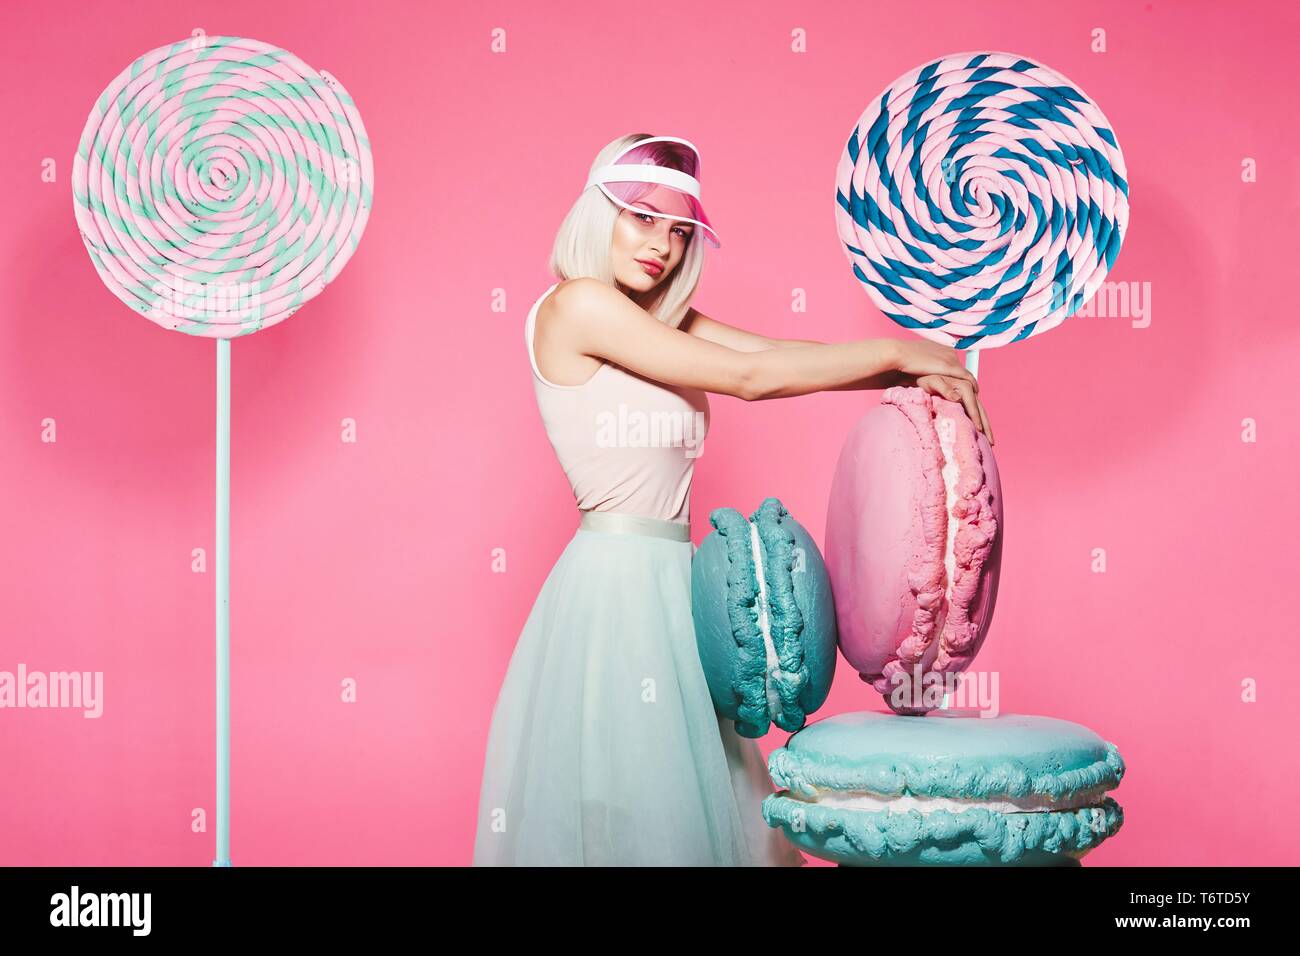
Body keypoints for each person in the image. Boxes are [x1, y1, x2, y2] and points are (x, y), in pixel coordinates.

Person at [472, 133, 994, 866]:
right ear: (598, 216)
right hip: (616, 587)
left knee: (705, 797)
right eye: (642, 218)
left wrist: (908, 363)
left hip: (678, 587)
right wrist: (896, 354)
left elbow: (771, 356)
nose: (662, 244)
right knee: (638, 796)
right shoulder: (579, 306)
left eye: (680, 232)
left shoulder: (658, 322)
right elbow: (746, 382)